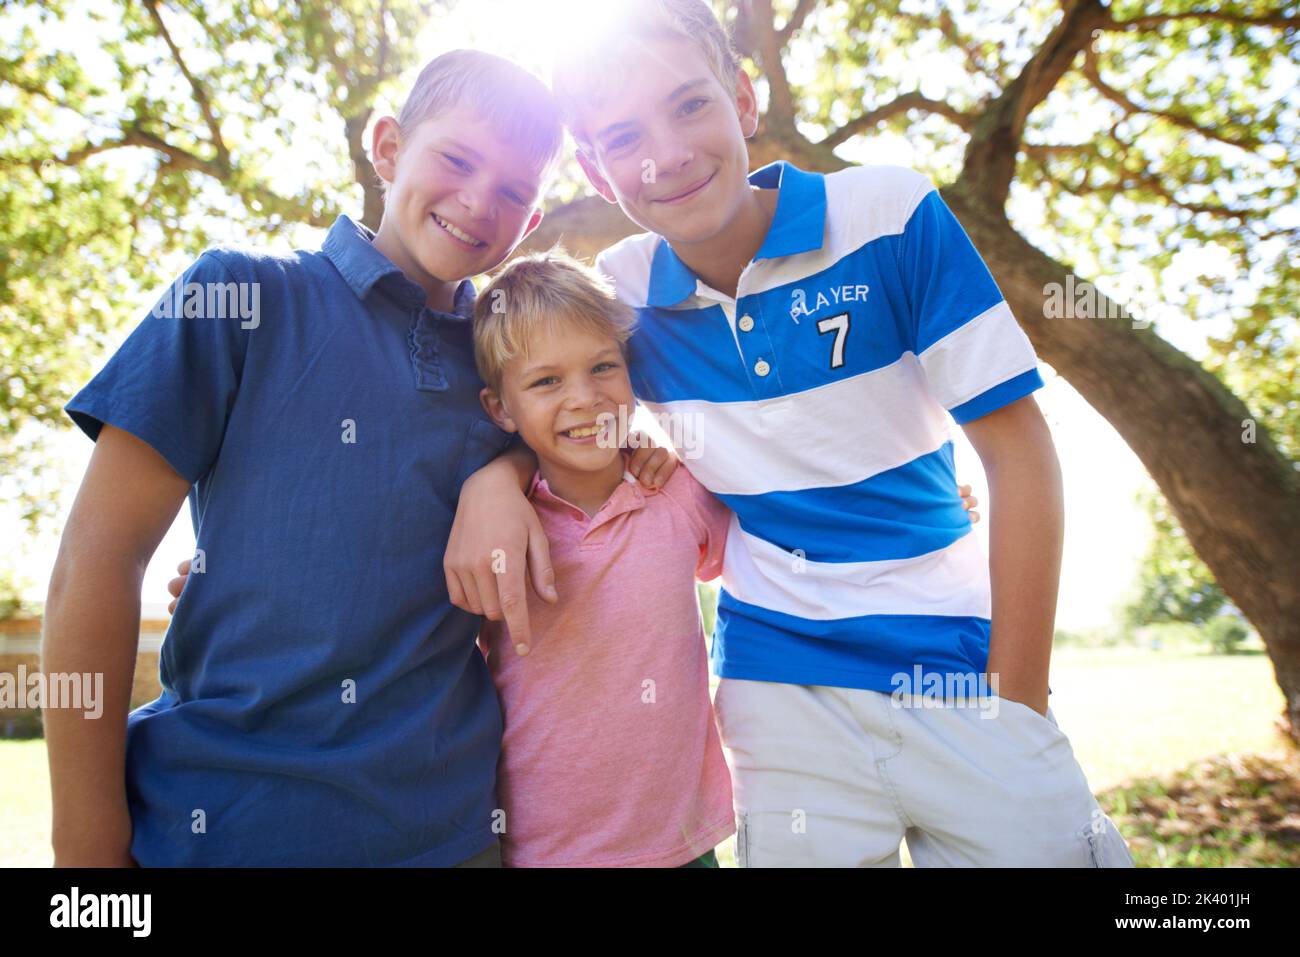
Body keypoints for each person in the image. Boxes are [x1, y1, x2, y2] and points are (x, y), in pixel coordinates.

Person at [445, 0, 1134, 867]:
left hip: (955, 656)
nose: (666, 154)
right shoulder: (621, 296)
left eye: (690, 105)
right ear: (594, 165)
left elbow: (1019, 451)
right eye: (623, 137)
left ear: (742, 97)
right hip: (777, 683)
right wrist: (494, 479)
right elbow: (552, 399)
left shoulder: (889, 215)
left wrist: (1019, 699)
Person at [42, 49, 672, 868]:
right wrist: (85, 852)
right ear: (386, 146)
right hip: (219, 827)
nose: (480, 199)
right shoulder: (238, 297)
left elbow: (597, 451)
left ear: (528, 222)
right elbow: (97, 557)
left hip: (449, 838)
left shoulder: (513, 371)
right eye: (455, 158)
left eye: (515, 190)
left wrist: (507, 468)